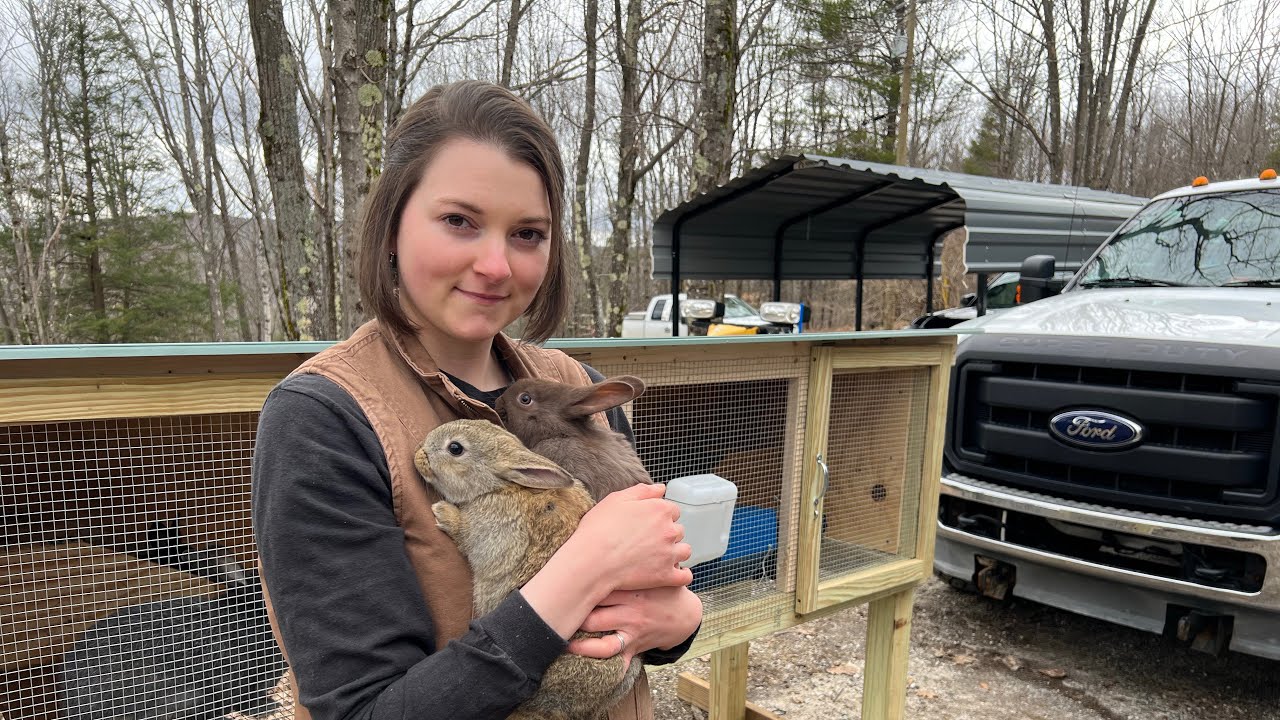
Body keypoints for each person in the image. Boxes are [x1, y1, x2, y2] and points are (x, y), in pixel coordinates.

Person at [251, 80, 702, 720]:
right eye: (459, 221)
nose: (496, 265)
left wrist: (681, 621)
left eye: (527, 233)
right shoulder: (325, 419)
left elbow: (655, 595)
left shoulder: (575, 384)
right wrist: (580, 573)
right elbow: (362, 711)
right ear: (391, 226)